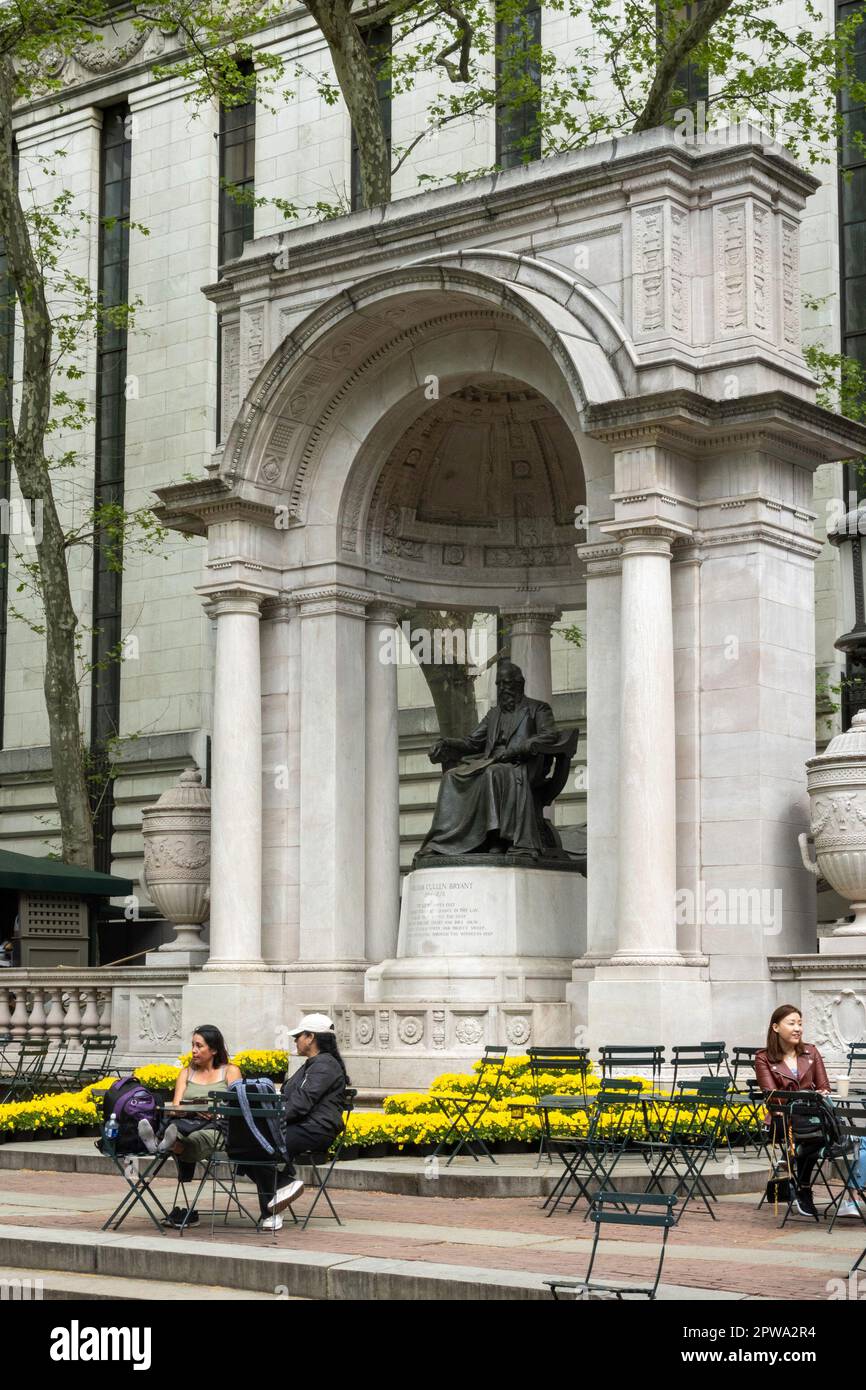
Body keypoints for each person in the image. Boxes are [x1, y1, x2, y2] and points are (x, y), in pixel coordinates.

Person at [416, 660, 574, 860]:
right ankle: (444, 841)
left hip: (522, 765)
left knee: (493, 773)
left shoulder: (538, 709)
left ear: (519, 684)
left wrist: (514, 751)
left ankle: (496, 838)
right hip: (491, 763)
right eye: (499, 684)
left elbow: (549, 736)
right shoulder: (494, 714)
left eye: (507, 684)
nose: (503, 689)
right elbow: (472, 742)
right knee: (451, 777)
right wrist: (446, 743)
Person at [234, 1013, 349, 1232]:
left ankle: (274, 1204)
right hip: (300, 1126)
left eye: (298, 1036)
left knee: (256, 1144)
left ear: (311, 1037)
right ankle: (282, 1185)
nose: (295, 1040)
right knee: (245, 1144)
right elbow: (290, 1098)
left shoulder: (325, 1065)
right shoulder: (312, 1065)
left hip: (315, 1130)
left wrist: (268, 1121)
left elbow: (300, 1103)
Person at [138, 1024, 241, 1226]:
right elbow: (175, 1107)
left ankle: (161, 1144)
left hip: (217, 1126)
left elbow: (237, 1106)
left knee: (194, 1139)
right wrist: (192, 1109)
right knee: (174, 1128)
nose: (193, 1050)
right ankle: (162, 1142)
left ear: (213, 1050)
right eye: (192, 1045)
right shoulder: (186, 1073)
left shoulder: (230, 1071)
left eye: (199, 1045)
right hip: (186, 1120)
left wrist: (212, 1110)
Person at [754, 1004, 847, 1218]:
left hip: (812, 1117)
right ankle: (803, 1186)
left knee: (817, 1131)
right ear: (776, 1027)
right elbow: (772, 1095)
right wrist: (807, 1097)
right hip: (782, 1118)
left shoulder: (811, 1052)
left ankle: (801, 1177)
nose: (798, 1028)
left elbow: (824, 1087)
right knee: (818, 1133)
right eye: (792, 1023)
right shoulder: (763, 1058)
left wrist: (815, 1097)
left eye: (800, 1024)